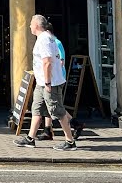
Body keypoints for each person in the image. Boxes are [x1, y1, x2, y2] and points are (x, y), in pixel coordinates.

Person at [15, 14, 78, 151]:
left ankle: (70, 141)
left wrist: (48, 83)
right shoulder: (45, 38)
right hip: (42, 82)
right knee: (36, 109)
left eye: (31, 24)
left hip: (50, 82)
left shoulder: (44, 39)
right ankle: (30, 138)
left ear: (37, 25)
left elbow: (47, 62)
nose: (30, 26)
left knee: (58, 111)